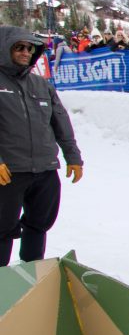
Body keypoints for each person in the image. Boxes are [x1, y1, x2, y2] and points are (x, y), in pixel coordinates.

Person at [0, 27, 83, 266]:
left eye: (30, 48)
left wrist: (73, 156)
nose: (26, 52)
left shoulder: (42, 84)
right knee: (3, 228)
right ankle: (3, 281)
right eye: (19, 47)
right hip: (10, 172)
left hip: (45, 169)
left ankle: (32, 271)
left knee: (39, 223)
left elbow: (61, 122)